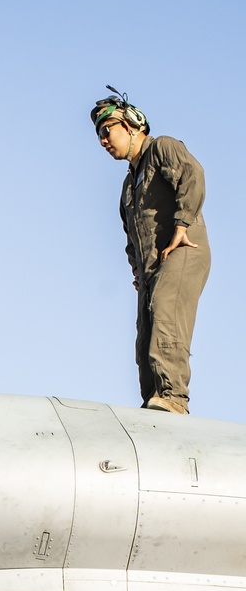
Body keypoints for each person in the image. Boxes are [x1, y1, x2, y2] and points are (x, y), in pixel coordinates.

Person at [92, 89, 210, 414]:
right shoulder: (128, 186)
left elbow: (192, 175)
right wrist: (138, 271)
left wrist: (183, 225)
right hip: (152, 268)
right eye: (99, 135)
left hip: (184, 248)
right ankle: (154, 404)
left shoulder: (162, 148)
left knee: (165, 313)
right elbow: (131, 235)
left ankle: (173, 397)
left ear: (131, 124)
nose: (103, 139)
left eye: (107, 130)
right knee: (145, 337)